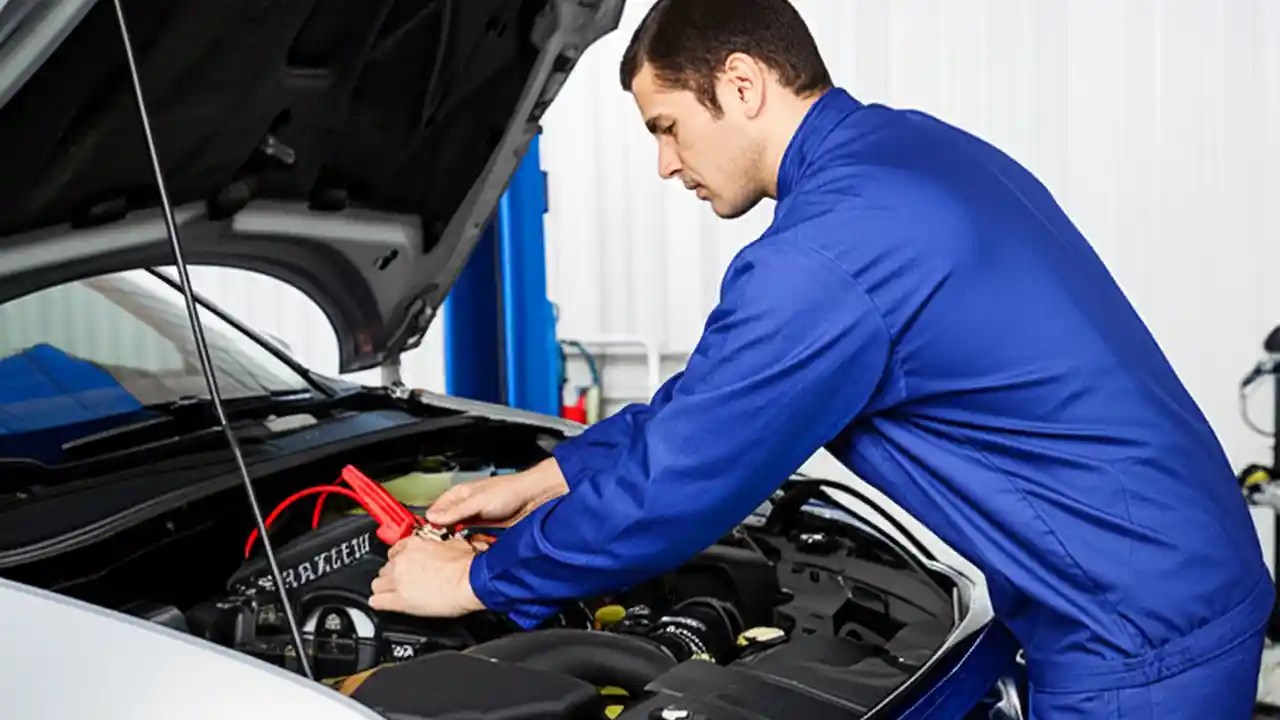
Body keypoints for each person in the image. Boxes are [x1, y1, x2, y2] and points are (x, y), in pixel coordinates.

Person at [370, 0, 1272, 715]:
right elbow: (723, 396)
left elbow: (684, 482)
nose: (665, 164)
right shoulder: (902, 153)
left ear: (742, 82)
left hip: (1132, 633)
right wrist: (548, 479)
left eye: (666, 125)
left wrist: (474, 580)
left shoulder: (828, 253)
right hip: (1165, 578)